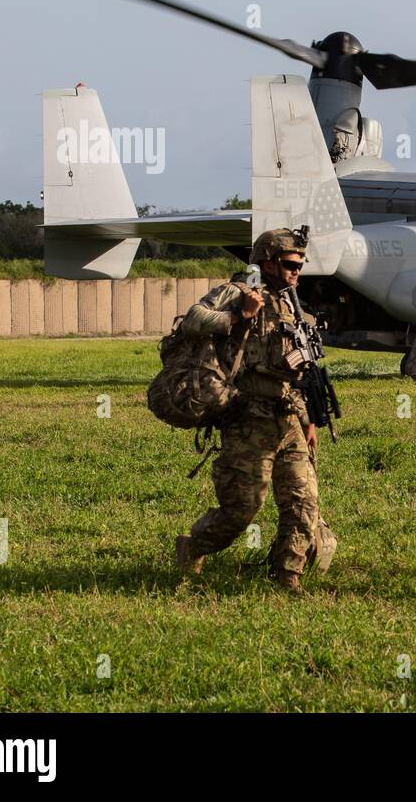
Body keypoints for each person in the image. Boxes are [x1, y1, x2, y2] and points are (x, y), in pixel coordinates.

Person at [174, 228, 336, 593]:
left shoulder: (293, 304)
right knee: (241, 509)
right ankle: (194, 546)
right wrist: (237, 318)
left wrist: (309, 420)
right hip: (248, 416)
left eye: (300, 264)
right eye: (291, 263)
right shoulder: (238, 291)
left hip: (288, 415)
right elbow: (193, 320)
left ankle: (287, 574)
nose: (297, 270)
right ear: (268, 261)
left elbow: (300, 373)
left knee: (302, 503)